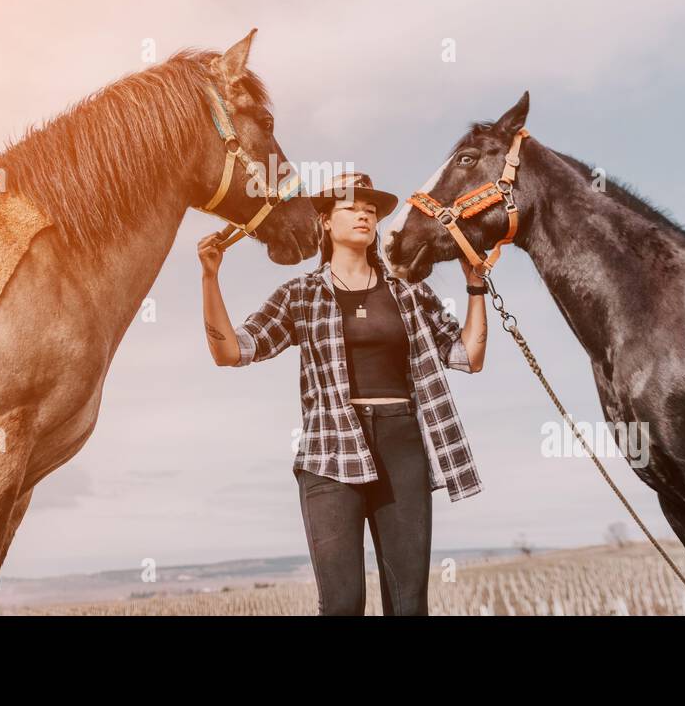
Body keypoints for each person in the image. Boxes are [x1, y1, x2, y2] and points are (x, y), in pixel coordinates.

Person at [198, 170, 487, 615]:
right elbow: (232, 351)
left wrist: (475, 286)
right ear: (326, 223)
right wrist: (209, 279)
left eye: (370, 211)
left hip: (401, 445)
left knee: (410, 604)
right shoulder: (301, 295)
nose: (364, 216)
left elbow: (468, 356)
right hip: (329, 451)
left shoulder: (409, 291)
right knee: (342, 603)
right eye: (351, 208)